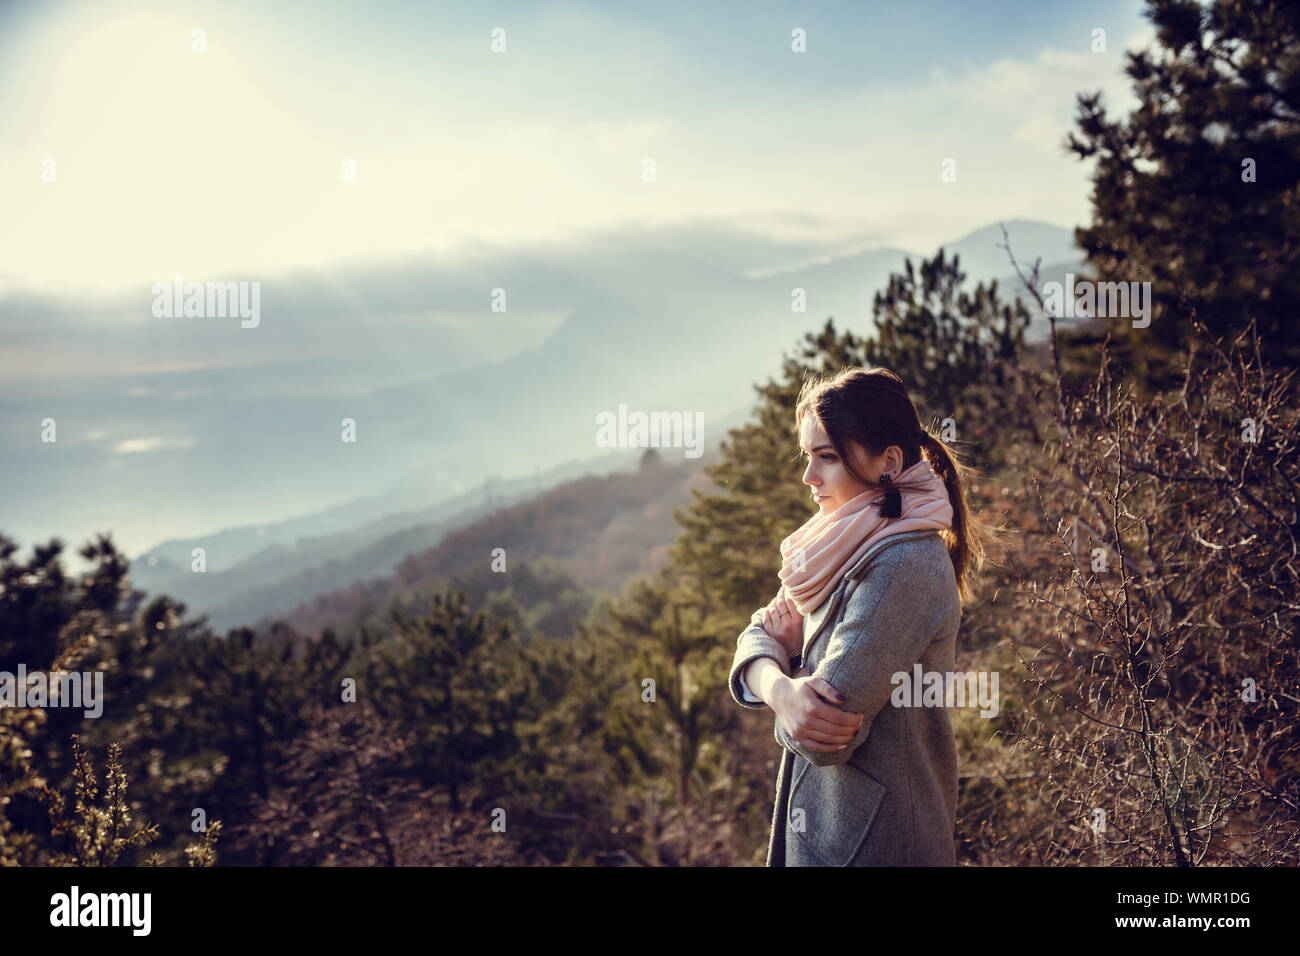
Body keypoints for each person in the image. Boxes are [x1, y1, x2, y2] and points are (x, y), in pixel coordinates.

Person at [728, 366, 986, 865]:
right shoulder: (841, 537)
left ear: (887, 462)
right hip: (834, 831)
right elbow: (759, 630)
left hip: (879, 842)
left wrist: (788, 671)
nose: (808, 477)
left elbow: (825, 737)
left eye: (827, 457)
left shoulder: (902, 563)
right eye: (807, 456)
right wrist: (783, 688)